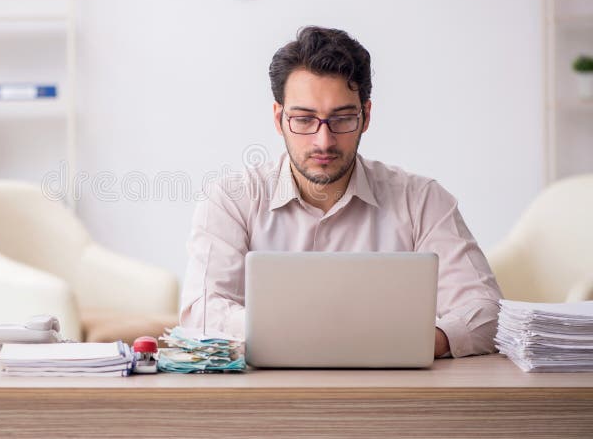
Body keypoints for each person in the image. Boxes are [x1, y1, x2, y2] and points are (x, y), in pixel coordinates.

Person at [179, 26, 503, 358]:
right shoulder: (231, 199)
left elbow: (487, 311)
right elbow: (200, 314)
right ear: (279, 119)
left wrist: (416, 342)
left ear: (366, 116)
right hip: (266, 398)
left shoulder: (421, 199)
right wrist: (299, 332)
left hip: (390, 396)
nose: (324, 141)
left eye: (343, 118)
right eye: (304, 119)